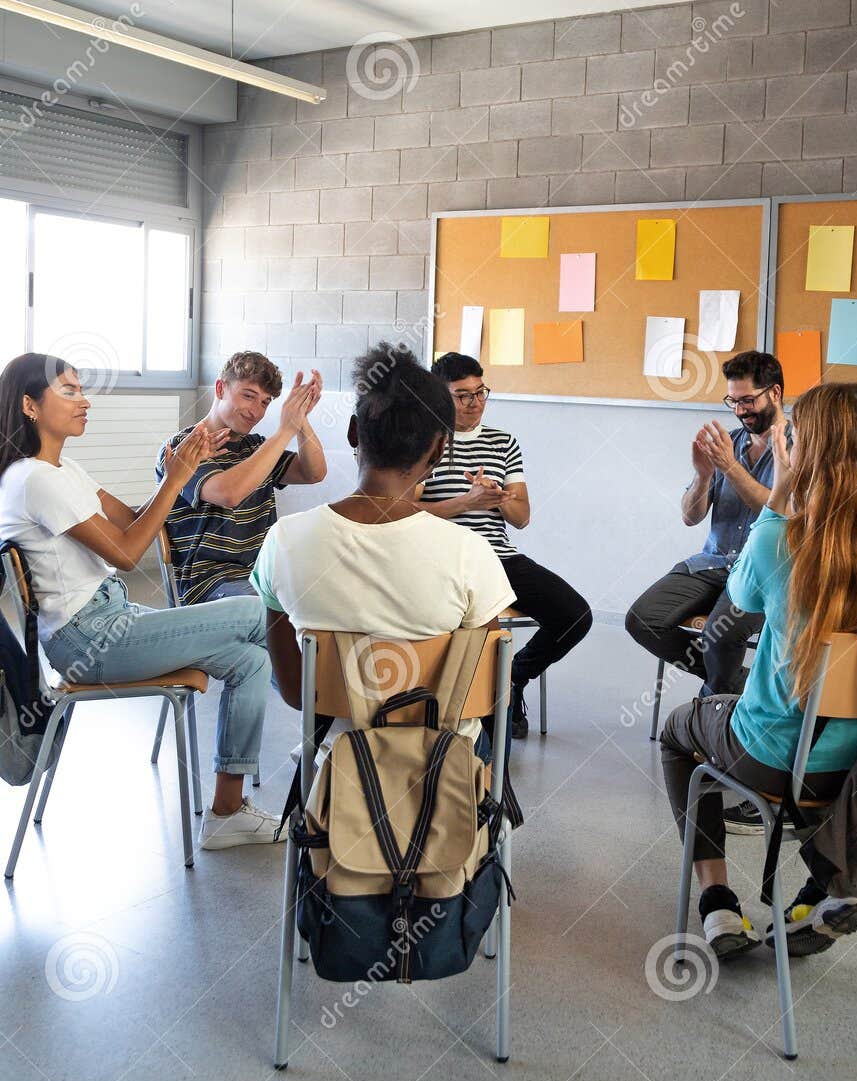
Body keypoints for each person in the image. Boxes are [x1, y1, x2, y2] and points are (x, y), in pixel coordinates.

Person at [659, 382, 857, 959]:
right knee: (810, 733)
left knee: (680, 732)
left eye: (795, 438)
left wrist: (782, 488)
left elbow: (739, 604)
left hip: (779, 758)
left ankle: (719, 905)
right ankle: (821, 892)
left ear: (806, 450)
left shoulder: (781, 541)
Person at [0, 354, 279, 849]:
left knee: (253, 660)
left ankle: (228, 811)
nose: (83, 400)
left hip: (112, 619)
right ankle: (328, 725)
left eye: (81, 388)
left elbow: (132, 519)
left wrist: (179, 474)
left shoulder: (61, 469)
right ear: (29, 405)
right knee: (260, 611)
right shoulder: (34, 479)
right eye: (68, 391)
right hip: (89, 641)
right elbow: (130, 554)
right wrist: (177, 478)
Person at [251, 344, 515, 740]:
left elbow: (293, 692)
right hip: (442, 768)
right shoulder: (470, 552)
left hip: (335, 766)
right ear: (440, 449)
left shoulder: (283, 540)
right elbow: (490, 691)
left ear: (354, 431)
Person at [413, 353, 592, 739]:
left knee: (575, 615)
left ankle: (511, 680)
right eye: (462, 396)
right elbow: (405, 512)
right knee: (478, 633)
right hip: (443, 562)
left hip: (498, 557)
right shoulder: (423, 441)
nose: (475, 402)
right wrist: (465, 502)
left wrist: (497, 496)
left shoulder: (503, 442)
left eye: (480, 392)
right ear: (439, 397)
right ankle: (480, 713)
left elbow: (521, 516)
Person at [626, 350, 787, 703]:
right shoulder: (727, 443)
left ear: (774, 393)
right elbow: (690, 516)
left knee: (720, 635)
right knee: (641, 619)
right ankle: (733, 682)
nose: (740, 410)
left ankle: (716, 701)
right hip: (713, 563)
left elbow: (777, 511)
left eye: (748, 400)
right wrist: (702, 477)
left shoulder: (800, 448)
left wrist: (729, 467)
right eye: (733, 400)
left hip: (762, 572)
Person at [156, 351, 327, 605]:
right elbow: (229, 493)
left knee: (328, 599)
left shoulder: (257, 448)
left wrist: (300, 420)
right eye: (249, 396)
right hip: (208, 585)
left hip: (262, 576)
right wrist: (284, 430)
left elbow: (313, 472)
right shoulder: (182, 446)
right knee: (275, 611)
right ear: (220, 388)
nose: (256, 411)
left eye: (265, 403)